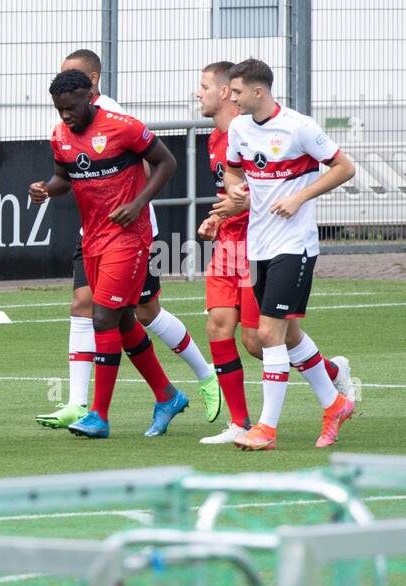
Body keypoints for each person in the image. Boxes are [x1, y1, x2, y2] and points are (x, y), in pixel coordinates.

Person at [37, 49, 220, 429]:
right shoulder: (60, 133)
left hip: (130, 236)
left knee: (112, 315)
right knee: (118, 318)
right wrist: (46, 189)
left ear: (91, 90)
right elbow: (62, 178)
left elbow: (166, 161)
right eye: (59, 110)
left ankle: (99, 415)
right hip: (93, 238)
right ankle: (166, 396)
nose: (65, 116)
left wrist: (138, 203)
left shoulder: (121, 124)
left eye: (70, 108)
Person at [212, 58, 357, 450]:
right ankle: (335, 403)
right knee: (289, 336)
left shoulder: (299, 127)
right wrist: (236, 190)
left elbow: (345, 168)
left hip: (295, 246)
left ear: (258, 92)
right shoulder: (240, 127)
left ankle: (266, 429)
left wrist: (299, 196)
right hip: (257, 245)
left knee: (268, 335)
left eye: (238, 91)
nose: (232, 97)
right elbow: (232, 172)